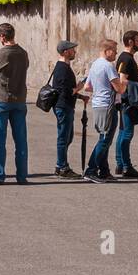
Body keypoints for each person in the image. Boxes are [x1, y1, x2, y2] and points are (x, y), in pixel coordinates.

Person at [0, 22, 30, 184]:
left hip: (2, 99)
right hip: (20, 99)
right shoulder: (23, 53)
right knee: (21, 140)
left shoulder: (1, 53)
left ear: (2, 36)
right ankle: (22, 175)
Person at [82, 38, 125, 182]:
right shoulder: (108, 66)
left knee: (103, 137)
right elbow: (119, 88)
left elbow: (87, 87)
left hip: (97, 104)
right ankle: (91, 170)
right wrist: (124, 83)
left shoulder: (94, 64)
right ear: (107, 51)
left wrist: (100, 88)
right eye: (115, 51)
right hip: (107, 106)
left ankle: (104, 171)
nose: (116, 54)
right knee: (105, 140)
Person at [48, 40, 83, 178]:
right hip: (63, 106)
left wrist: (80, 96)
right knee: (63, 137)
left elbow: (66, 89)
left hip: (66, 106)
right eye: (72, 50)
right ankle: (63, 167)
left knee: (68, 137)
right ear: (65, 52)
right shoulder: (62, 68)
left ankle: (60, 164)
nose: (74, 52)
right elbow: (64, 91)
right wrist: (79, 88)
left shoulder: (64, 67)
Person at [113, 30, 138, 178]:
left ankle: (120, 164)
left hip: (126, 101)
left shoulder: (128, 58)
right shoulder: (126, 58)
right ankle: (126, 166)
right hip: (128, 102)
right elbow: (122, 79)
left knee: (122, 132)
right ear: (130, 42)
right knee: (127, 134)